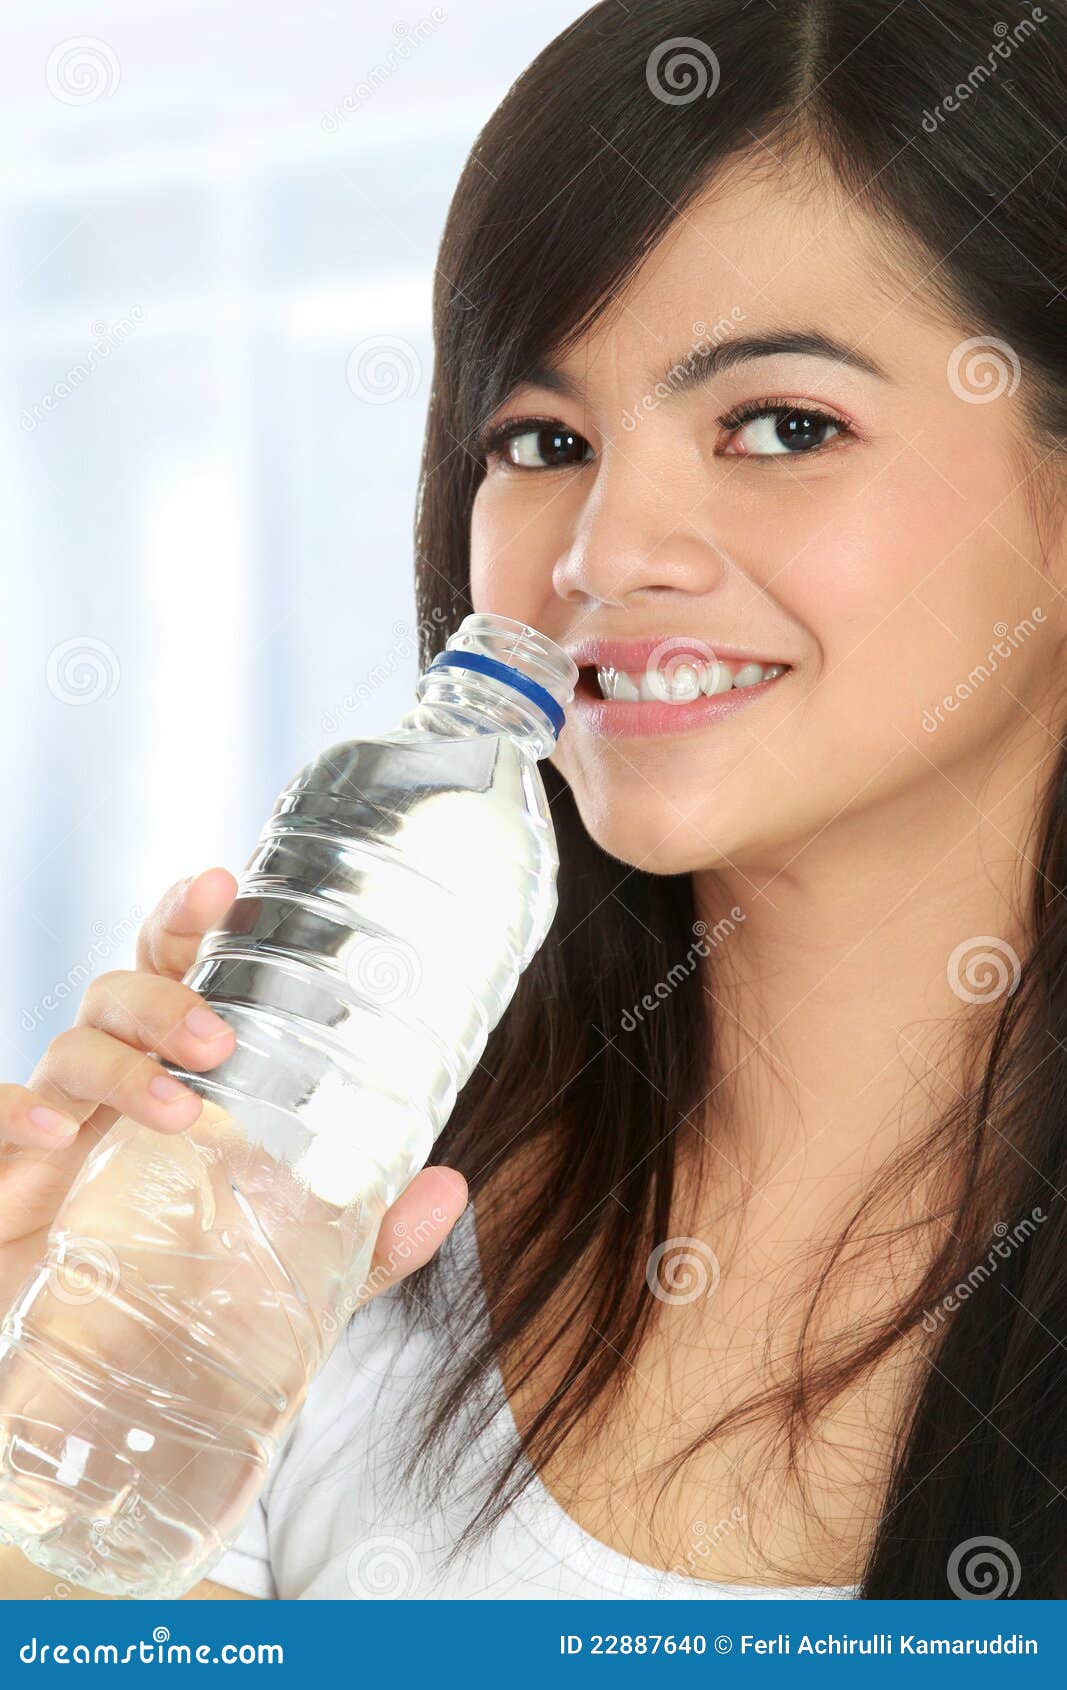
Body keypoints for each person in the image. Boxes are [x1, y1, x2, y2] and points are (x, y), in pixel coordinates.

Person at [2, 0, 1064, 1598]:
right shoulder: (371, 1221)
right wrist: (49, 1420)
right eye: (543, 436)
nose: (602, 552)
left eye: (783, 424)